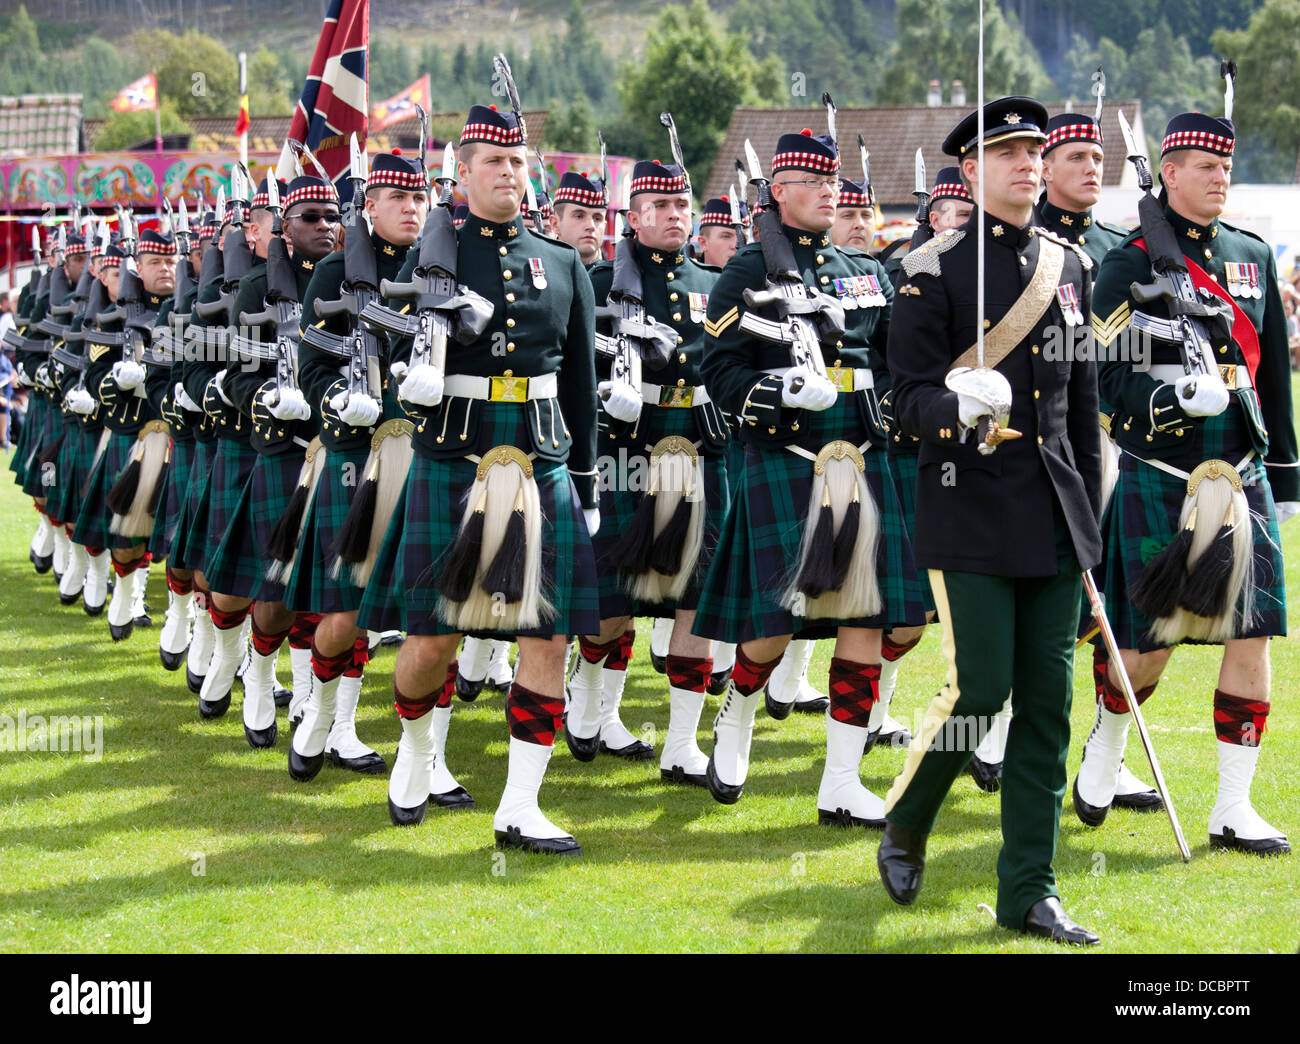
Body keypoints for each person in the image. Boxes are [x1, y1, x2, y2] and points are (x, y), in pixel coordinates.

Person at [880, 97, 1103, 945]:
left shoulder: (1068, 265)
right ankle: (907, 818)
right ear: (969, 172)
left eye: (1031, 151)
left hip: (1050, 515)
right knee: (981, 692)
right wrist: (956, 405)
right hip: (967, 506)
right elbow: (899, 400)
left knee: (1048, 702)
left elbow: (1079, 409)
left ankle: (1030, 892)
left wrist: (1088, 522)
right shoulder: (932, 268)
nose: (1022, 163)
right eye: (1002, 152)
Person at [354, 102, 599, 854]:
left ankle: (519, 806)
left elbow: (582, 382)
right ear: (462, 174)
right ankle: (417, 752)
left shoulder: (563, 262)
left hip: (539, 455)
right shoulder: (430, 255)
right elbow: (387, 342)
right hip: (453, 455)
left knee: (550, 635)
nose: (510, 174)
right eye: (494, 162)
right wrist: (402, 382)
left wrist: (585, 484)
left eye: (519, 162)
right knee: (434, 638)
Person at [1077, 110, 1296, 855]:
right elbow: (1103, 378)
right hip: (1163, 467)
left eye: (1226, 166)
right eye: (1206, 167)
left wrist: (1287, 474)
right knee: (1148, 648)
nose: (1220, 177)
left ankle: (1233, 806)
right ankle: (1105, 746)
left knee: (1253, 633)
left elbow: (1275, 375)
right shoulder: (1127, 262)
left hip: (1241, 469)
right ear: (1169, 172)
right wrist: (1170, 399)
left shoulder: (1250, 254)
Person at [694, 126, 924, 827]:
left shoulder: (865, 269)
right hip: (790, 455)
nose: (830, 192)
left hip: (864, 454)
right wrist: (780, 394)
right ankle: (738, 702)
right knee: (774, 624)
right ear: (780, 192)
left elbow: (892, 358)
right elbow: (720, 369)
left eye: (834, 183)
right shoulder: (747, 271)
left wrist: (893, 406)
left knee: (871, 618)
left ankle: (842, 781)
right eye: (814, 183)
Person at [572, 157, 728, 780]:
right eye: (659, 207)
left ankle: (682, 744)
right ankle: (587, 709)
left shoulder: (714, 282)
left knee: (696, 600)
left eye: (681, 207)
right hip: (623, 449)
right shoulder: (601, 279)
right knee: (613, 600)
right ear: (632, 216)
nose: (673, 216)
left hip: (693, 447)